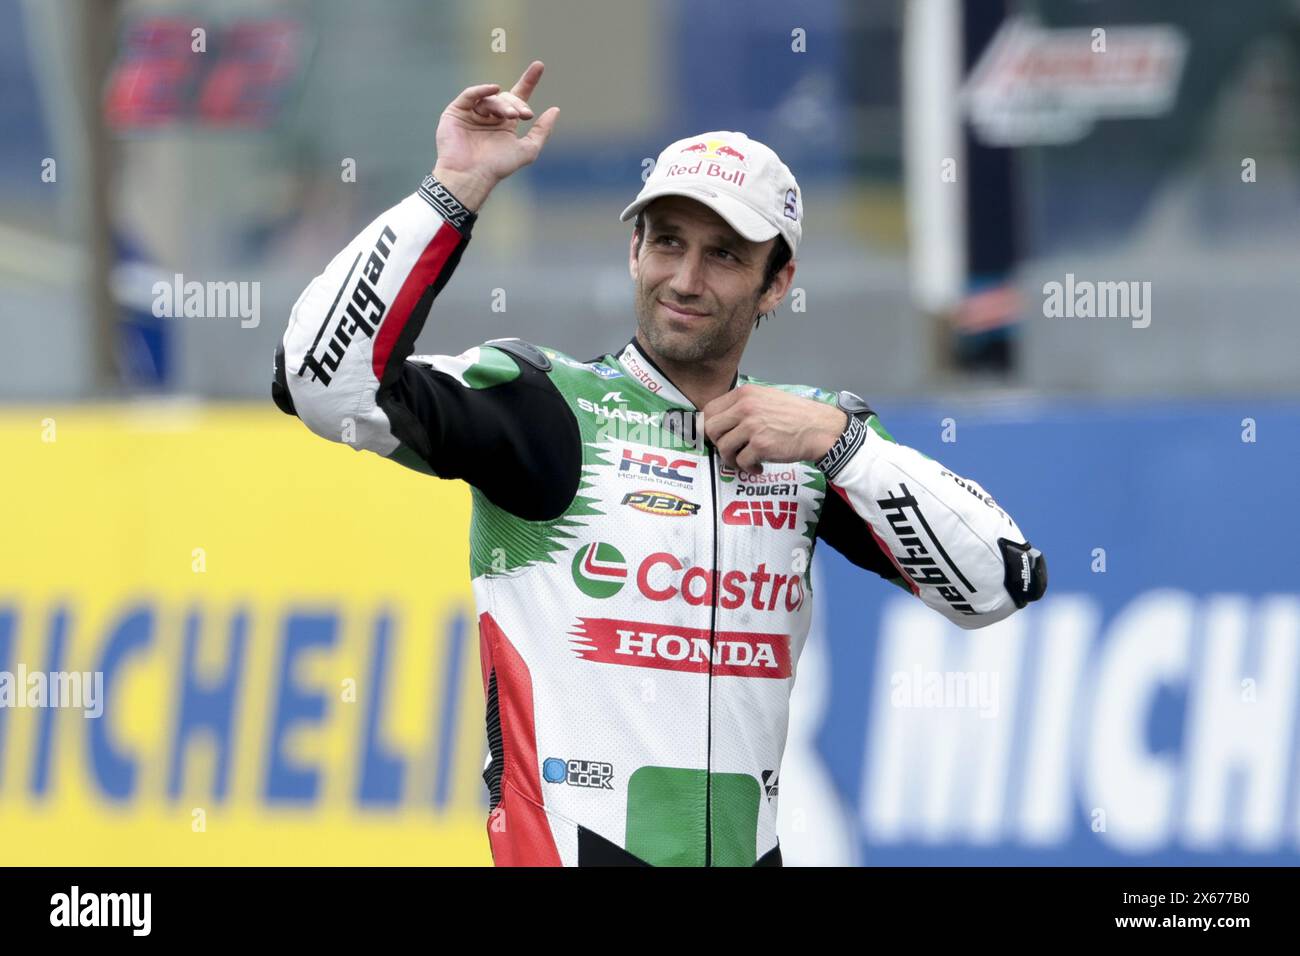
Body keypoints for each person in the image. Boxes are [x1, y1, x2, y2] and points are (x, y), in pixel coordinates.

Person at [271, 61, 1046, 866]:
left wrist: (842, 444)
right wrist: (453, 188)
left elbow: (1001, 583)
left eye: (723, 255)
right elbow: (321, 383)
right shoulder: (545, 406)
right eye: (667, 242)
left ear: (778, 281)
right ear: (634, 248)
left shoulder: (807, 443)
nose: (685, 277)